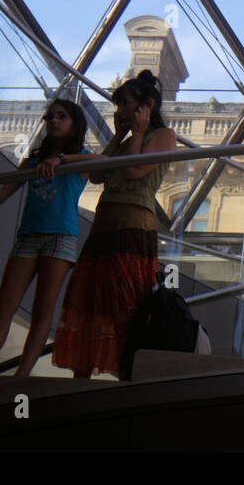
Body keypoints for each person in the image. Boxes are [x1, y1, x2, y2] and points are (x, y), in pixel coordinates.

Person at [51, 71, 177, 378]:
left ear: (145, 106)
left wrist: (138, 133)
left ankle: (125, 377)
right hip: (103, 228)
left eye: (124, 103)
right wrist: (120, 136)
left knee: (126, 302)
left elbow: (134, 170)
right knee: (91, 298)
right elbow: (96, 175)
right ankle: (80, 379)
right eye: (117, 104)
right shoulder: (125, 140)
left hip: (133, 228)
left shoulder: (163, 136)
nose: (118, 110)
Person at [0, 99, 99, 379]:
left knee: (43, 310)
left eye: (62, 116)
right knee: (5, 305)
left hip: (60, 237)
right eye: (50, 116)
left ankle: (21, 376)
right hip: (28, 236)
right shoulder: (33, 160)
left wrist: (62, 159)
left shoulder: (80, 158)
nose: (54, 121)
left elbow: (102, 161)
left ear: (74, 123)